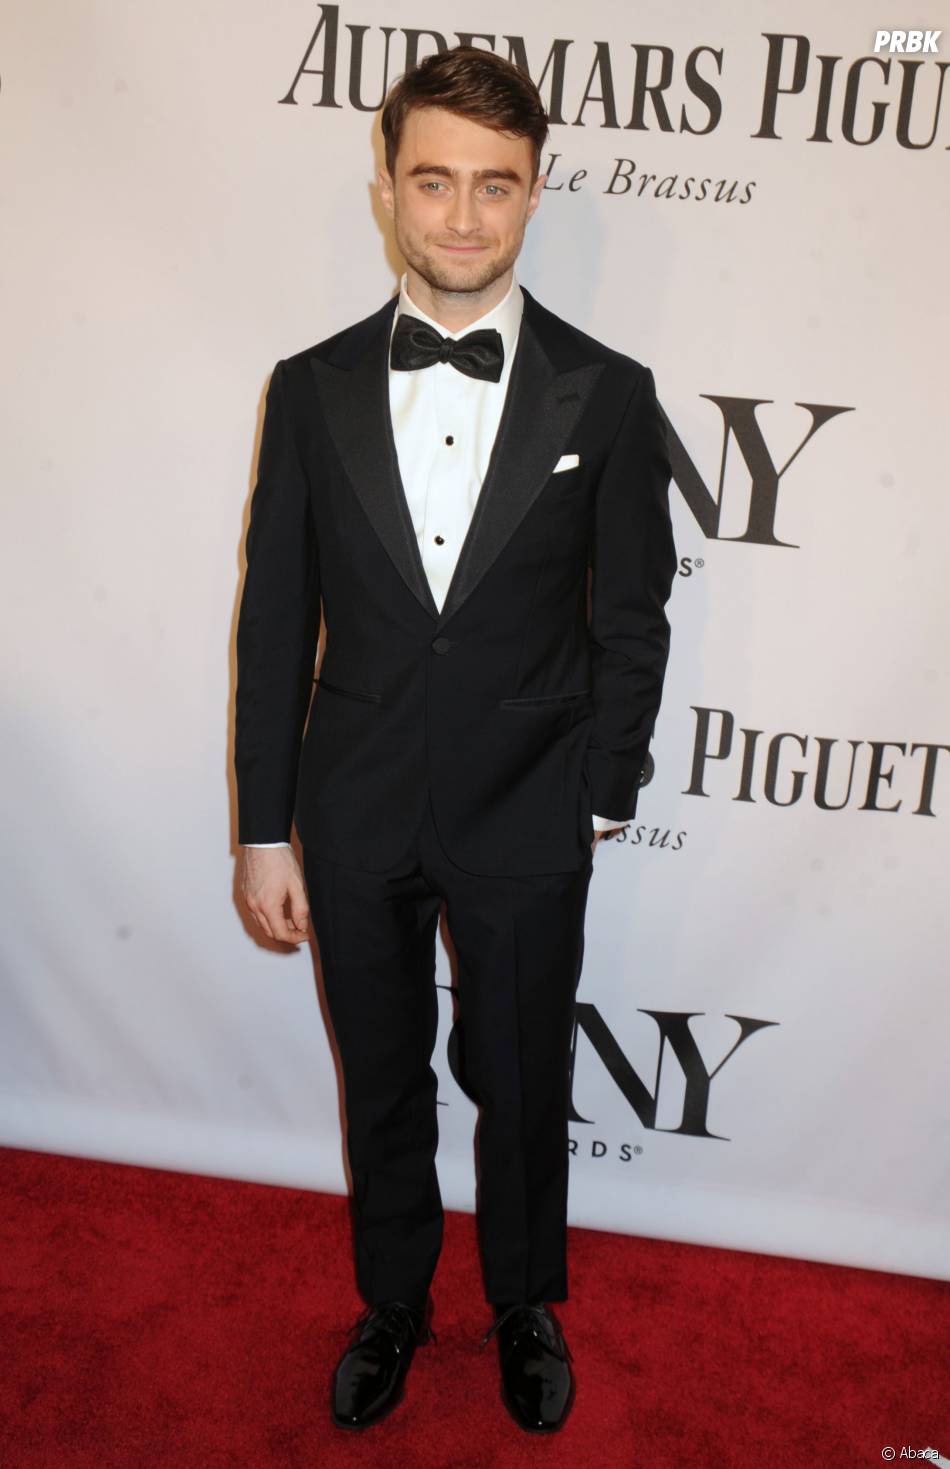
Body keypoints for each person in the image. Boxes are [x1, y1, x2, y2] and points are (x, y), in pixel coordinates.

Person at [234, 44, 677, 1435]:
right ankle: (392, 1304)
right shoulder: (305, 388)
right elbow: (272, 616)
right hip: (352, 804)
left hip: (529, 807)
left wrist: (599, 792)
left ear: (537, 191)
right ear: (386, 188)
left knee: (525, 1074)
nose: (465, 217)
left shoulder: (603, 391)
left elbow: (634, 609)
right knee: (382, 1076)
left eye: (496, 185)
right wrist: (262, 824)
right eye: (434, 181)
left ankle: (524, 1301)